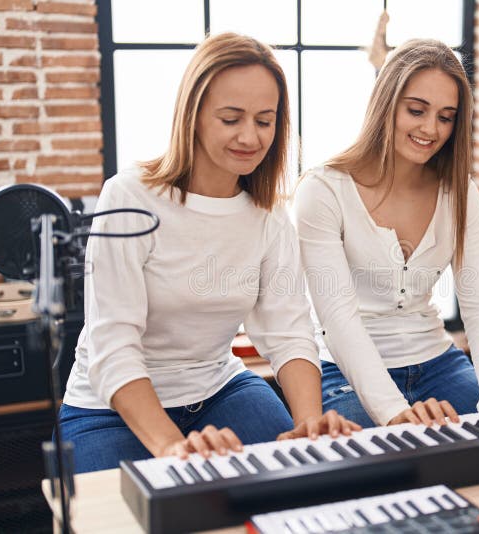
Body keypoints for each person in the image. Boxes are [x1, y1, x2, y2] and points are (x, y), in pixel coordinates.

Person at [60, 33, 358, 473]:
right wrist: (170, 446)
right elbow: (112, 346)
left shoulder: (269, 214)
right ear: (193, 115)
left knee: (296, 479)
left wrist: (311, 423)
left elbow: (288, 330)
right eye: (231, 118)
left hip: (220, 390)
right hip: (109, 409)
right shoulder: (128, 197)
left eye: (265, 120)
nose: (250, 137)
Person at [294, 39, 479, 429]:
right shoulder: (323, 190)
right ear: (385, 104)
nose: (431, 129)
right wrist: (395, 413)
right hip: (345, 374)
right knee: (380, 464)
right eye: (416, 110)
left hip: (439, 365)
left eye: (446, 117)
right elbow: (339, 320)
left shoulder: (461, 194)